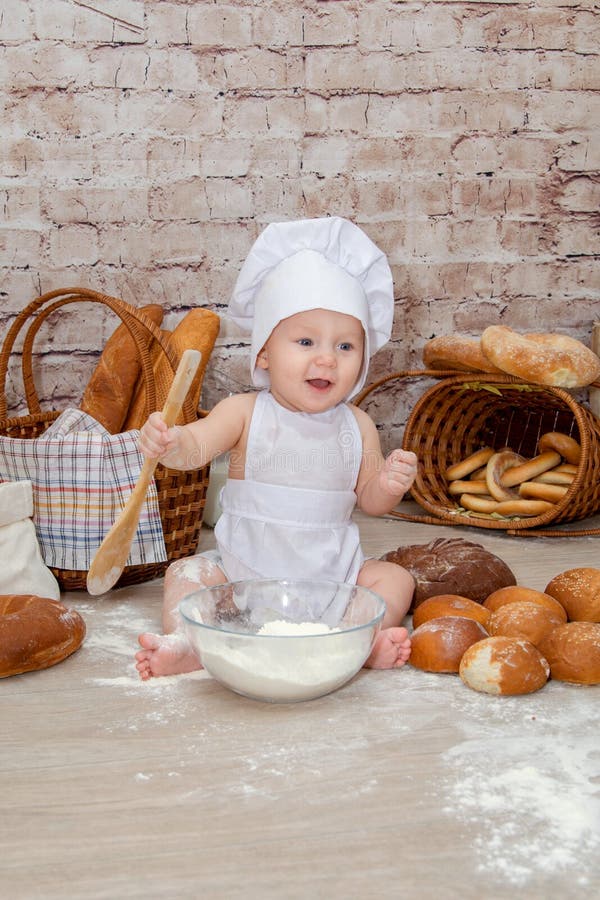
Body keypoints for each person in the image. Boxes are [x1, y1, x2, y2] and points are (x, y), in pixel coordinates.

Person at [135, 217, 418, 681]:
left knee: (395, 580)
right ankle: (190, 643)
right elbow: (195, 448)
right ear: (264, 354)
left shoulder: (357, 424)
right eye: (305, 341)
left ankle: (354, 640)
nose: (326, 358)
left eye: (346, 345)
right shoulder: (244, 411)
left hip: (332, 576)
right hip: (243, 572)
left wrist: (387, 483)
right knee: (187, 573)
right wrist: (171, 442)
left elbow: (370, 500)